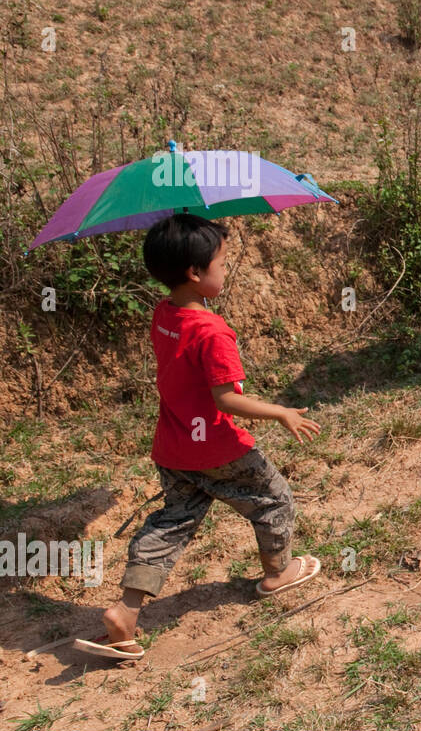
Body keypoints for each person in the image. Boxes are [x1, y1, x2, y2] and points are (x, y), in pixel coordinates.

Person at [75, 214, 322, 661]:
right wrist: (280, 412)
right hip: (216, 447)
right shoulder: (212, 332)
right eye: (222, 263)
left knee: (173, 522)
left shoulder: (164, 314)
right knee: (273, 498)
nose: (225, 271)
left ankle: (126, 612)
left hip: (173, 446)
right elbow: (226, 400)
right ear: (195, 272)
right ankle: (277, 573)